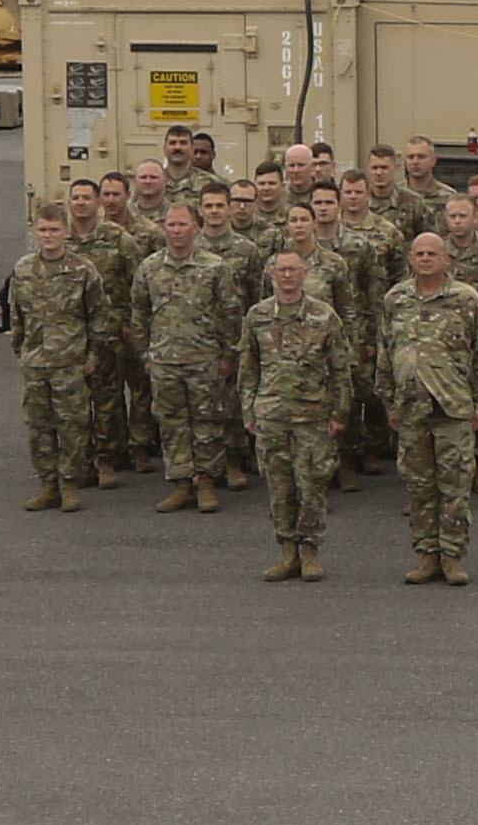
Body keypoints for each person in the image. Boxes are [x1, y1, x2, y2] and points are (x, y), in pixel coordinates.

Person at [384, 232, 478, 585]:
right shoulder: (396, 299)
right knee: (419, 486)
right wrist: (389, 400)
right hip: (411, 407)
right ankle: (427, 555)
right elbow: (385, 352)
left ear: (446, 258)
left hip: (452, 406)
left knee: (454, 485)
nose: (424, 259)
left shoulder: (466, 299)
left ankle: (452, 555)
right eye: (418, 253)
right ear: (409, 257)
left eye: (432, 253)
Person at [239, 249, 343, 578]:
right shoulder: (257, 316)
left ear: (305, 273)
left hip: (312, 414)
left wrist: (340, 412)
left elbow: (340, 368)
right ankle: (287, 552)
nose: (287, 276)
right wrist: (249, 408)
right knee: (279, 486)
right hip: (271, 413)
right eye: (281, 270)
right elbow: (248, 367)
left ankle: (310, 551)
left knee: (312, 484)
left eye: (293, 270)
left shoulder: (323, 316)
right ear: (272, 275)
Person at [138, 203, 236, 513]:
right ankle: (182, 483)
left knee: (207, 421)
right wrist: (146, 354)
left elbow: (231, 313)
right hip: (164, 359)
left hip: (204, 357)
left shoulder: (215, 267)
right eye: (172, 225)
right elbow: (139, 313)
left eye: (183, 225)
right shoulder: (150, 268)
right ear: (164, 228)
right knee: (172, 424)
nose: (177, 231)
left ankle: (206, 482)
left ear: (196, 227)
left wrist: (227, 355)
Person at [6, 211, 100, 513]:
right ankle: (48, 484)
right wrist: (20, 351)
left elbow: (98, 315)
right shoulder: (23, 269)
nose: (48, 235)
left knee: (72, 425)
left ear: (64, 232)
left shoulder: (82, 269)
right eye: (43, 230)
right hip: (35, 361)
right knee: (38, 426)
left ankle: (71, 483)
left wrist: (93, 354)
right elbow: (16, 313)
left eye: (54, 229)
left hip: (70, 360)